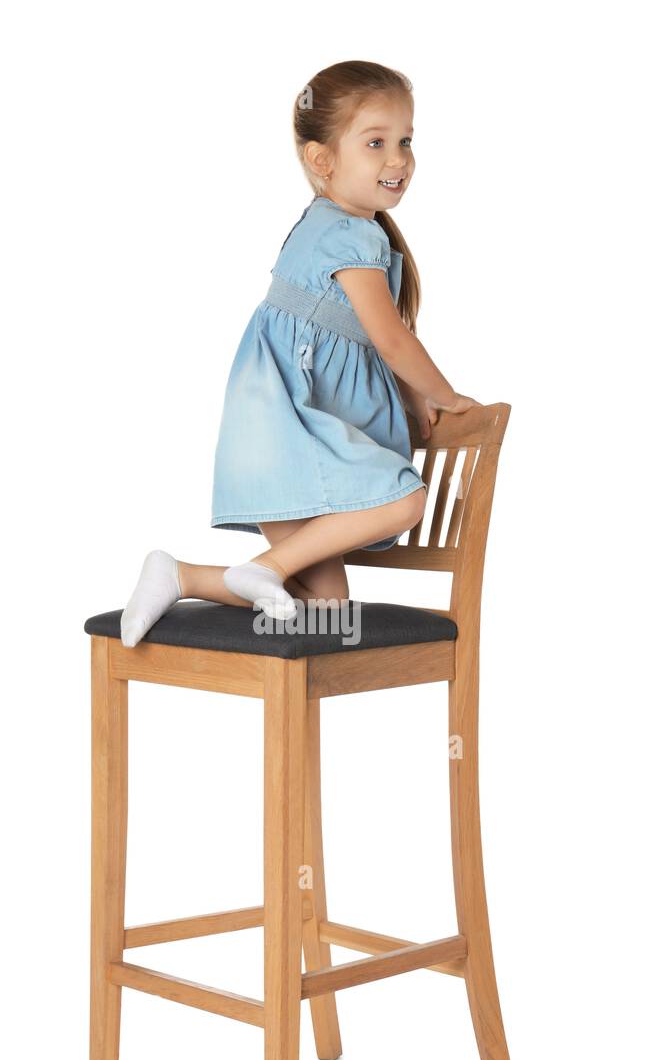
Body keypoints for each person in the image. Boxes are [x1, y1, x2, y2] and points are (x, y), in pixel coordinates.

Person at [121, 59, 480, 647]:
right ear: (322, 159)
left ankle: (181, 574)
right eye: (376, 143)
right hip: (288, 437)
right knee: (406, 499)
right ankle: (266, 568)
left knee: (326, 607)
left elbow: (372, 339)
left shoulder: (330, 227)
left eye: (406, 141)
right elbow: (392, 339)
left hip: (270, 440)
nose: (399, 159)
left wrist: (414, 397)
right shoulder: (348, 234)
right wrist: (447, 394)